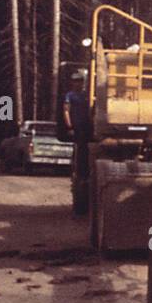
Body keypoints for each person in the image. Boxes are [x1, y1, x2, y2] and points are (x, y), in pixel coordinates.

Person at [63, 71, 92, 214]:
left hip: (88, 127)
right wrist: (69, 126)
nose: (77, 83)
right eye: (75, 80)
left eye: (80, 80)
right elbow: (66, 111)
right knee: (80, 156)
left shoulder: (87, 94)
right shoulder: (70, 96)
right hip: (78, 128)